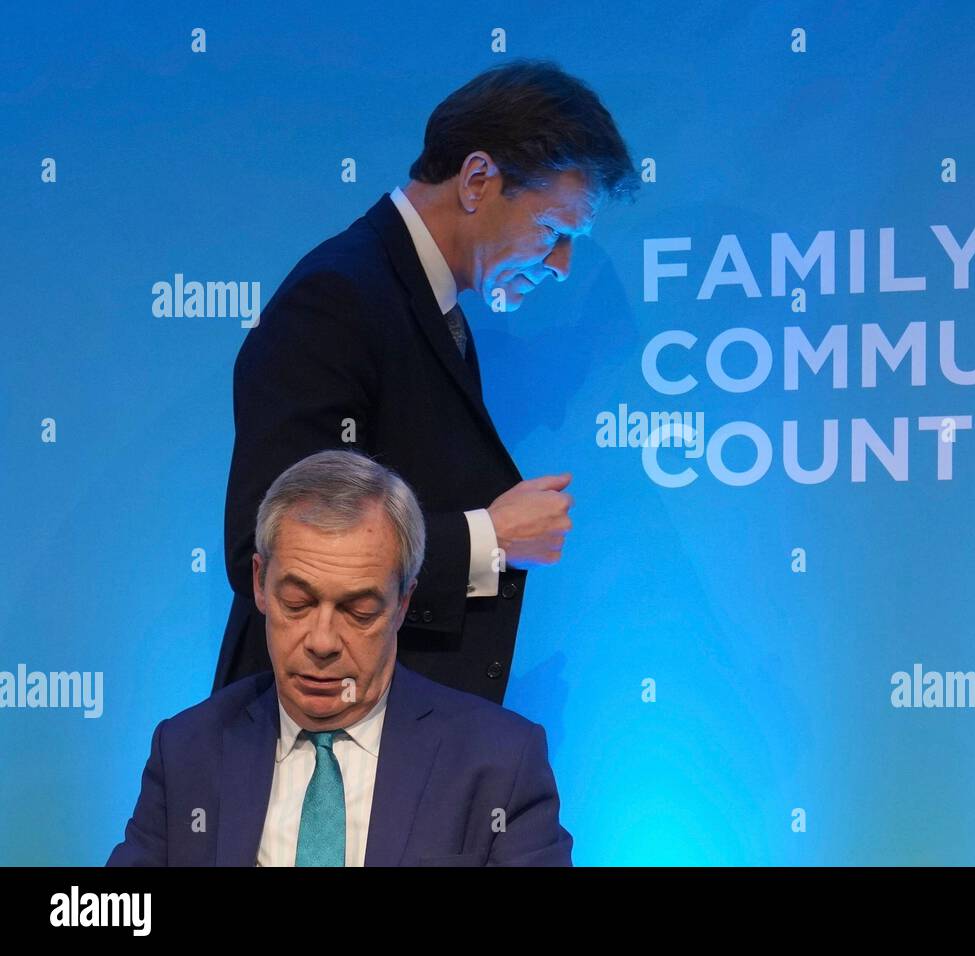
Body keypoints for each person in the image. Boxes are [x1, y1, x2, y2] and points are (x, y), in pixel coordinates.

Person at [213, 58, 639, 703]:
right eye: (553, 231)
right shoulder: (338, 297)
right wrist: (489, 539)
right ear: (476, 179)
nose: (562, 264)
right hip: (318, 741)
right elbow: (271, 548)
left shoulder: (422, 301)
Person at [109, 450, 572, 866]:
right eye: (297, 603)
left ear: (403, 604)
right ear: (259, 584)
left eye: (359, 611)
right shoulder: (189, 750)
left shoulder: (499, 762)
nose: (323, 641)